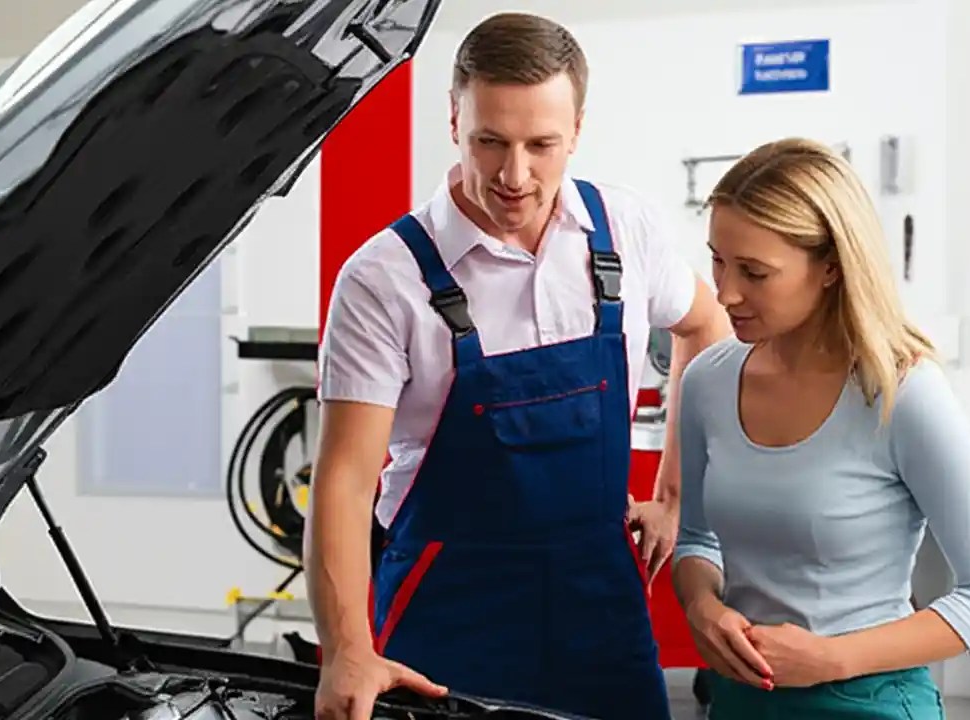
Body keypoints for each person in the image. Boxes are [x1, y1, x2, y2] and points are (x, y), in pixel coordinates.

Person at [305, 11, 730, 720]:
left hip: (603, 614)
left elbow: (705, 325)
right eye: (490, 141)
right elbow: (345, 481)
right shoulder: (383, 279)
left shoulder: (625, 230)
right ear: (454, 120)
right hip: (447, 619)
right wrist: (346, 649)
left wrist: (676, 494)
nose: (514, 174)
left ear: (578, 131)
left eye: (542, 145)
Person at [671, 138, 970, 719]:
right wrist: (702, 607)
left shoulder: (903, 393)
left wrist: (830, 659)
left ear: (832, 267)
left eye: (755, 272)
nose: (726, 293)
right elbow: (696, 539)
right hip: (740, 698)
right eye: (718, 261)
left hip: (867, 700)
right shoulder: (707, 381)